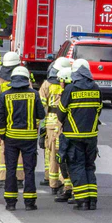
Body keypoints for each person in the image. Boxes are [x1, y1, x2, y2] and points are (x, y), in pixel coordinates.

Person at [0, 66, 45, 211]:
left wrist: (2, 135)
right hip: (29, 138)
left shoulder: (4, 95)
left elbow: (0, 119)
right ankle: (29, 202)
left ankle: (10, 202)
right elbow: (41, 115)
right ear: (26, 80)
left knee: (11, 169)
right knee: (29, 170)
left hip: (11, 138)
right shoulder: (34, 94)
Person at [58, 58, 102, 211]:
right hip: (91, 136)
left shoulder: (71, 89)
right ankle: (92, 200)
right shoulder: (96, 88)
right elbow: (99, 110)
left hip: (73, 136)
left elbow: (61, 113)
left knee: (77, 167)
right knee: (89, 166)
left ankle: (82, 200)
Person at [0, 52, 25, 187]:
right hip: (21, 118)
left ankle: (4, 178)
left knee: (4, 148)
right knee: (20, 150)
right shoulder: (25, 80)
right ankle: (19, 178)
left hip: (4, 118)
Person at [39, 58, 70, 189]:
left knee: (52, 154)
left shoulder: (47, 84)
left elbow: (40, 106)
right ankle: (65, 182)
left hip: (51, 122)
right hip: (66, 122)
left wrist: (41, 127)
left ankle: (53, 183)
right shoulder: (70, 85)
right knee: (64, 153)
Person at [52, 66, 75, 204]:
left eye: (61, 81)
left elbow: (61, 114)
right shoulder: (65, 92)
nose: (59, 83)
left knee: (69, 161)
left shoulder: (68, 94)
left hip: (67, 132)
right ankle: (67, 188)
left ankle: (72, 190)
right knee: (62, 161)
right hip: (62, 132)